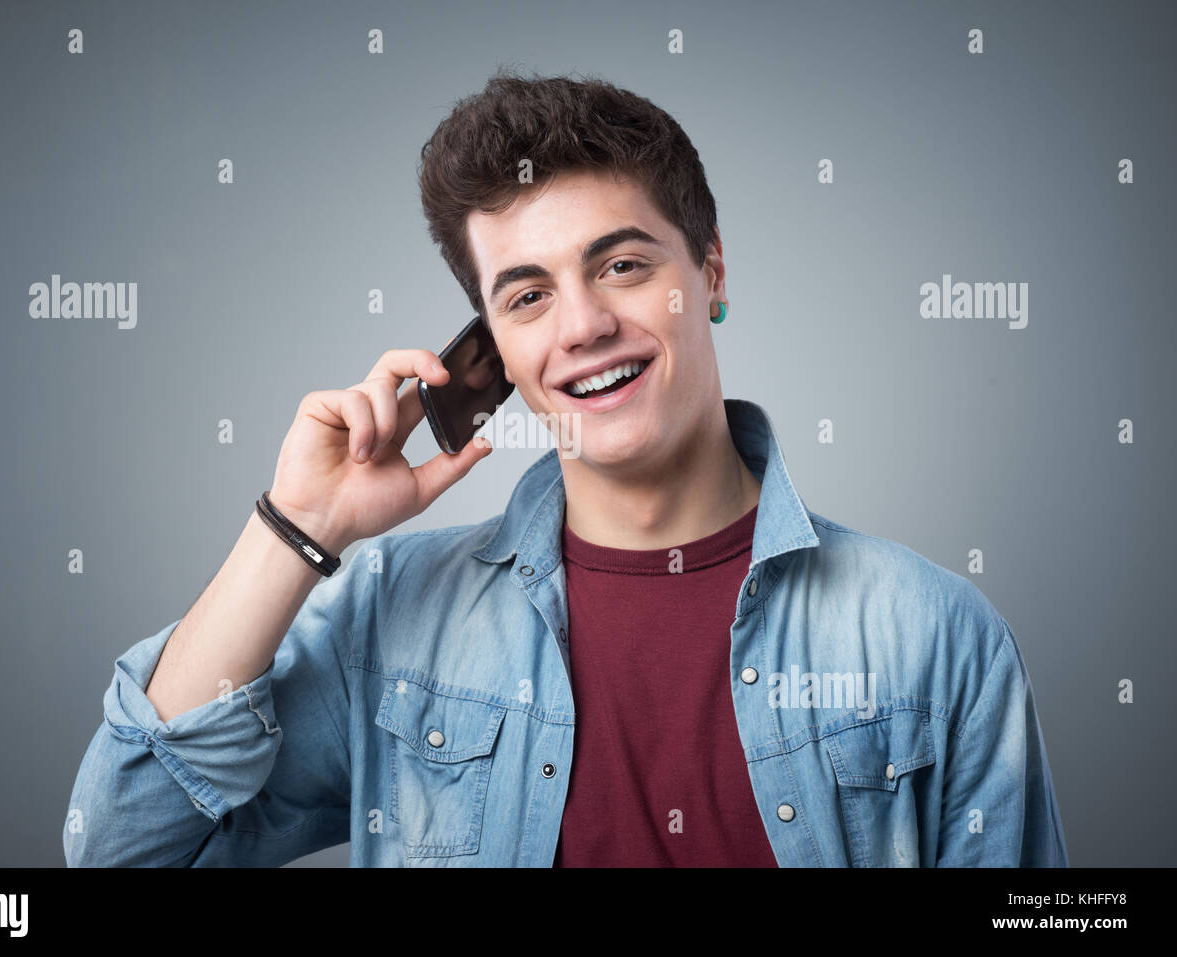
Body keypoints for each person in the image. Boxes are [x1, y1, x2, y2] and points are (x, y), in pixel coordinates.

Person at [63, 70, 1069, 867]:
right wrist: (295, 529)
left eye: (621, 265)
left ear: (709, 271)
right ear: (492, 352)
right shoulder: (390, 623)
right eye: (527, 296)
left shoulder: (933, 634)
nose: (584, 325)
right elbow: (121, 849)